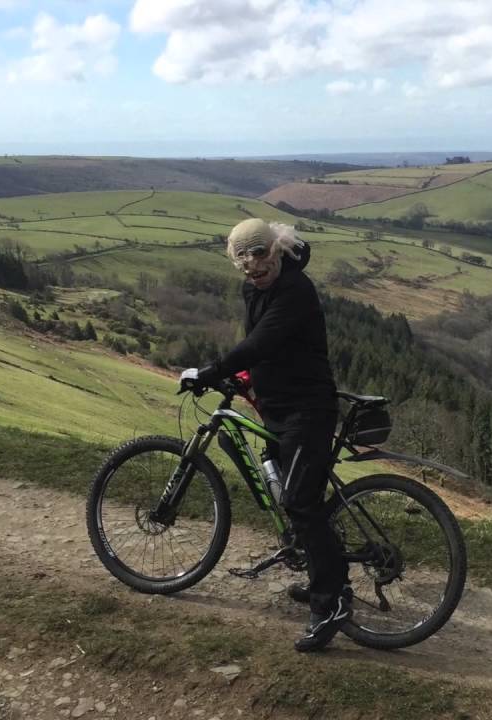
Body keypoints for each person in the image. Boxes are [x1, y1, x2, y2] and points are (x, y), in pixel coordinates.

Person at [179, 218, 350, 652]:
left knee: (300, 502)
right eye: (246, 268)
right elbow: (259, 342)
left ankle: (331, 603)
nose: (255, 273)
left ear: (277, 252)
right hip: (277, 407)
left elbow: (264, 341)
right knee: (285, 491)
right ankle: (318, 576)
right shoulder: (255, 288)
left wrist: (211, 371)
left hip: (307, 410)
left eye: (262, 263)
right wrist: (241, 376)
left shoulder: (295, 289)